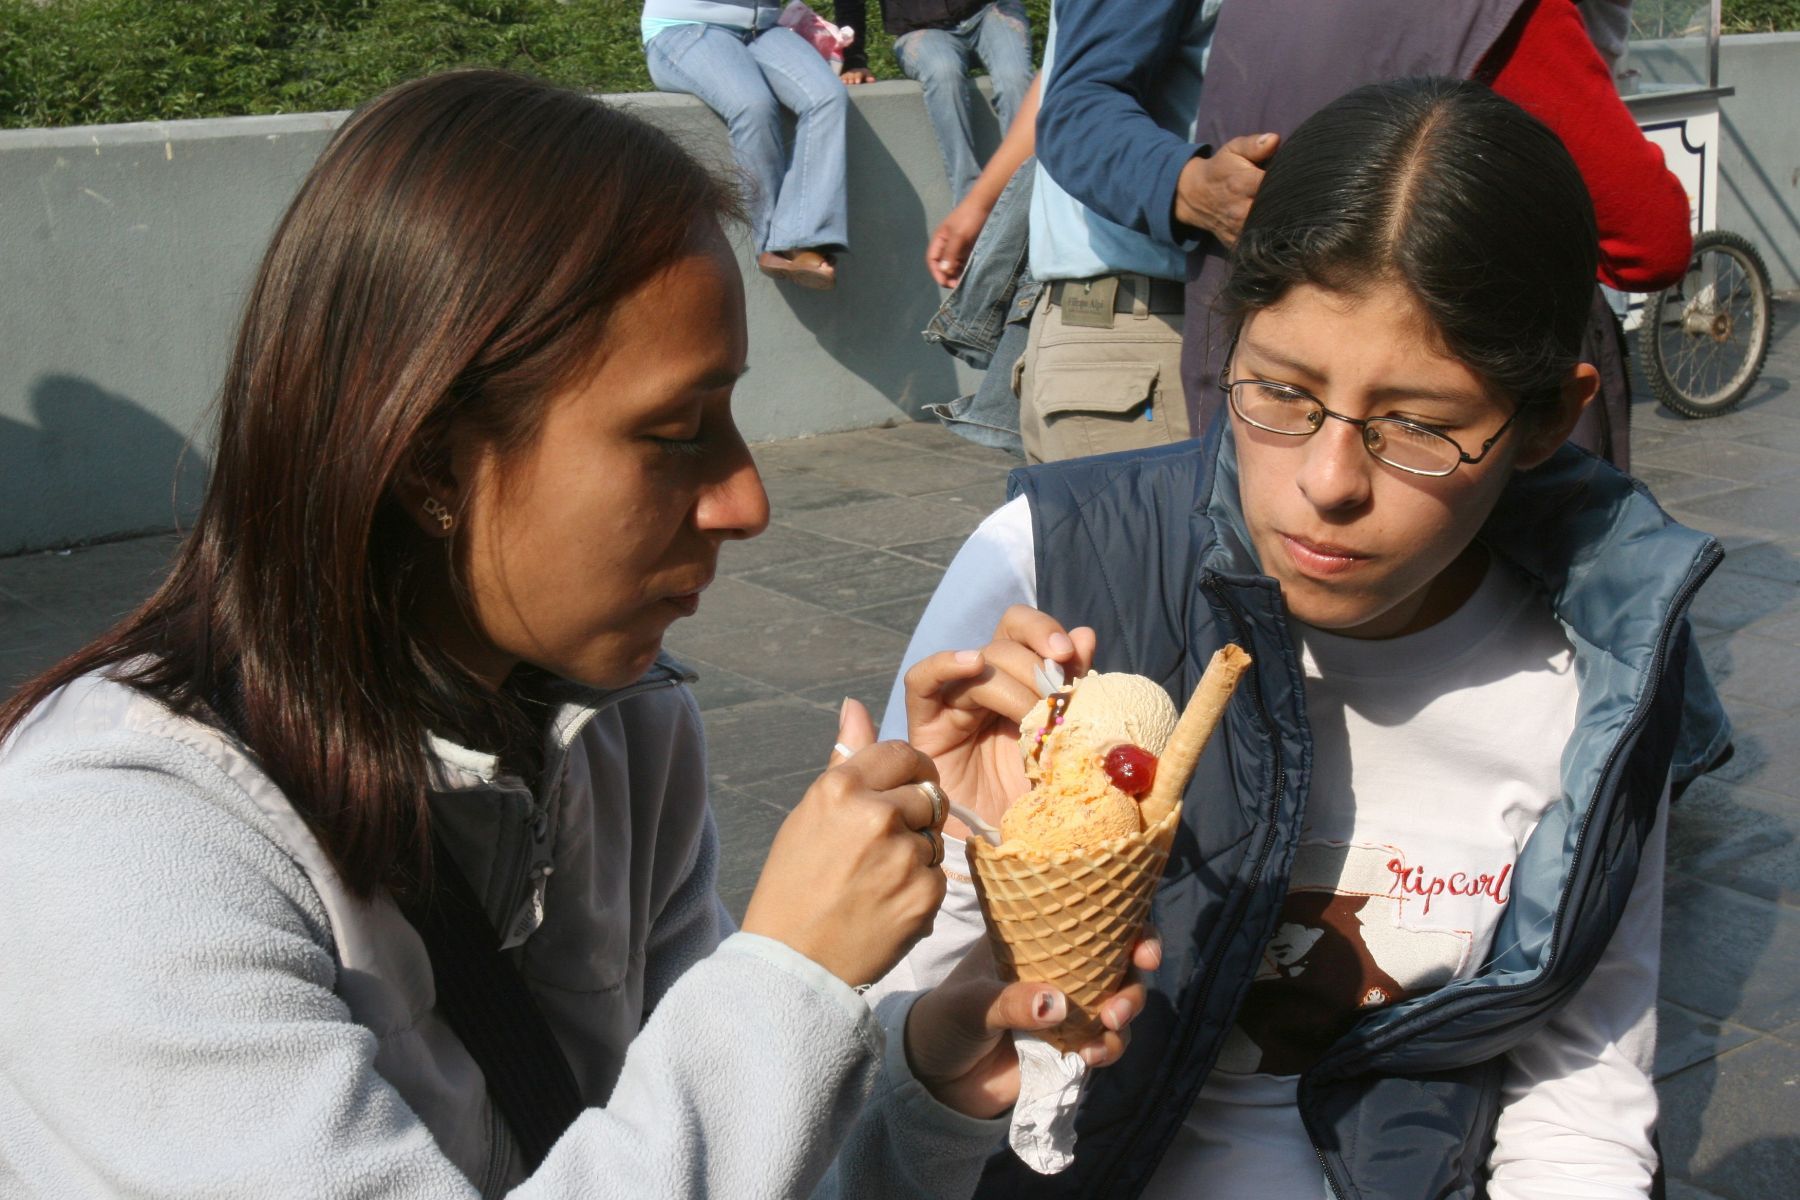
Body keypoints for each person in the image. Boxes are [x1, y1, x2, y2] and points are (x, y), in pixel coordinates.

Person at [0, 71, 1156, 1198]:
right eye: (674, 431)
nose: (748, 500)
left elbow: (698, 1152)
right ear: (427, 461)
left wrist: (920, 1076)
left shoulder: (628, 737)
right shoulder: (119, 833)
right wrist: (788, 977)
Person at [875, 78, 1729, 1197]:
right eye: (1279, 392)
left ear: (1547, 420)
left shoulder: (1603, 669)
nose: (1327, 483)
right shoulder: (1046, 567)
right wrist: (961, 852)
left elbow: (1580, 1088)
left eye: (1420, 426)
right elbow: (877, 1050)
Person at [1039, 0, 1692, 459]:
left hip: (1236, 349)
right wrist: (1190, 187)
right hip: (1144, 323)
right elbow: (1650, 238)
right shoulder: (1494, 19)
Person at [642, 0, 853, 290]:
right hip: (685, 29)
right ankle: (771, 245)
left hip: (762, 29)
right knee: (753, 105)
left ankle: (803, 235)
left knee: (827, 97)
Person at [836, 0, 1035, 202]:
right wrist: (854, 60)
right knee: (943, 73)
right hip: (920, 28)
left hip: (991, 11)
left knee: (1014, 77)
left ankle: (1027, 195)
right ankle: (970, 201)